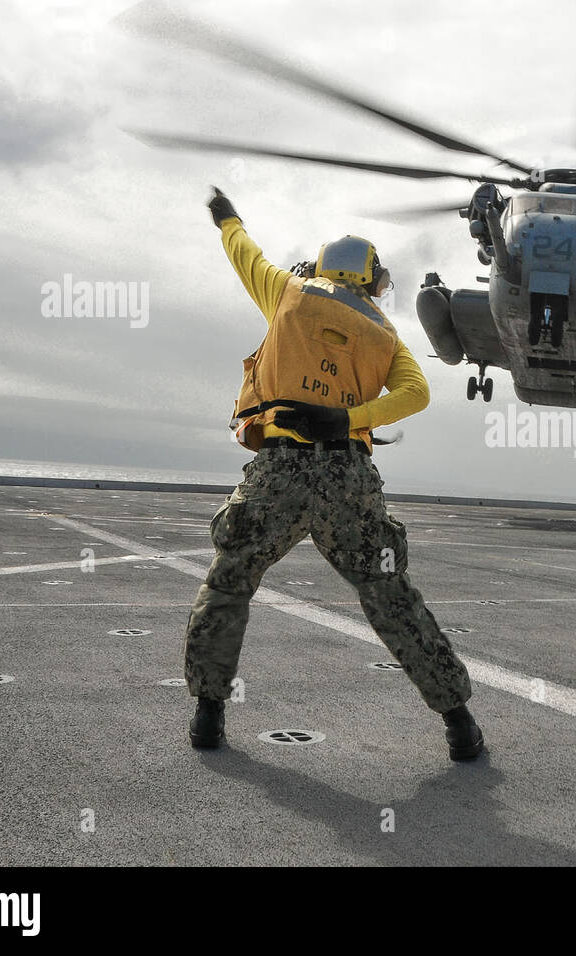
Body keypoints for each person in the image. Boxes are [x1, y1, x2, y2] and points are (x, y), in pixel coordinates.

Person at [182, 187, 483, 761]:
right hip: (349, 476)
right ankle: (460, 723)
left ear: (323, 267)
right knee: (391, 597)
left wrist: (225, 214)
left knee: (229, 582)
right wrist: (348, 419)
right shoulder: (385, 334)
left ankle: (208, 714)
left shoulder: (287, 290)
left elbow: (242, 251)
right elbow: (416, 394)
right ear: (372, 280)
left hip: (278, 472)